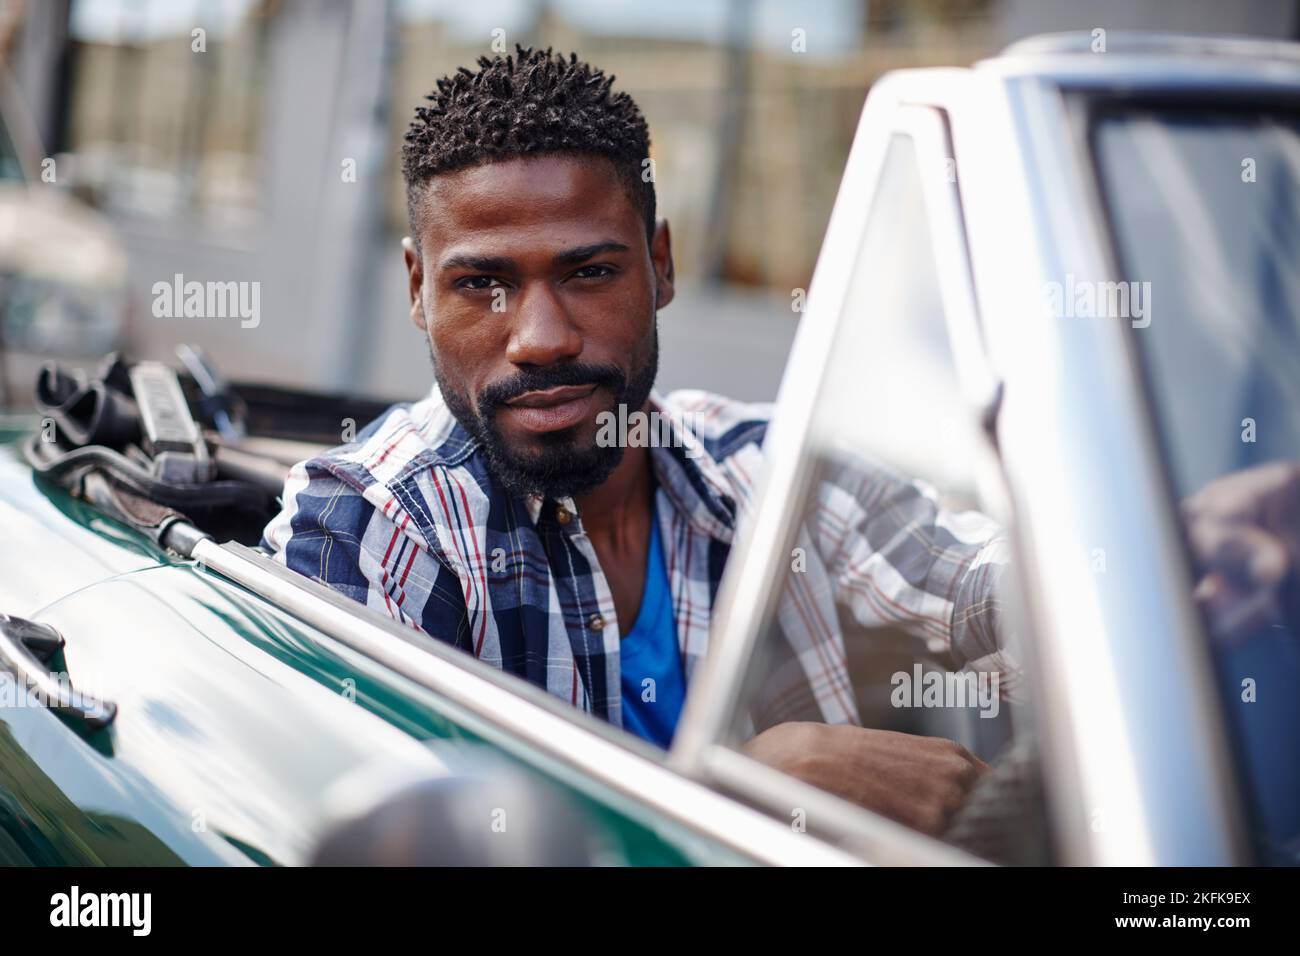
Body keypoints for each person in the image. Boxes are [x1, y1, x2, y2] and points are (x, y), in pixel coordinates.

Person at [263, 47, 1300, 837]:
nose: (540, 337)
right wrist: (748, 782)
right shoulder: (372, 531)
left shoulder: (765, 467)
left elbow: (977, 584)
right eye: (482, 282)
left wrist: (1163, 557)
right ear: (413, 289)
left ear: (660, 266)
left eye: (588, 272)